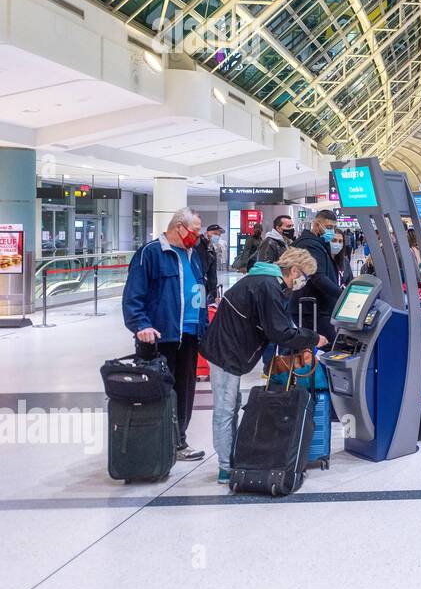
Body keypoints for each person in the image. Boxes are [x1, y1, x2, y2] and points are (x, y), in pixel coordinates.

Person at [200, 248, 327, 483]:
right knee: (225, 409)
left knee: (231, 405)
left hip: (229, 348)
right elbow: (279, 330)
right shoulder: (268, 285)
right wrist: (312, 338)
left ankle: (231, 458)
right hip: (226, 351)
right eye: (305, 276)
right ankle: (226, 468)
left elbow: (276, 323)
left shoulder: (266, 281)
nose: (304, 282)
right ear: (295, 270)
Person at [121, 207, 209, 461]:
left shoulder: (193, 256)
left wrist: (204, 323)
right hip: (161, 337)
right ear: (179, 227)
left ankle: (178, 441)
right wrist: (141, 325)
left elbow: (200, 292)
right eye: (194, 230)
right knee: (158, 392)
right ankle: (155, 443)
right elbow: (133, 296)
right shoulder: (150, 254)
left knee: (185, 391)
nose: (198, 236)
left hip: (190, 335)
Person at [290, 209, 342, 339]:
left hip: (315, 308)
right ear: (317, 225)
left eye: (334, 227)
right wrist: (342, 295)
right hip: (311, 309)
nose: (332, 231)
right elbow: (318, 277)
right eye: (329, 227)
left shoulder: (317, 244)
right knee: (331, 345)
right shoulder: (309, 245)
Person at [194, 223, 225, 304]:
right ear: (207, 232)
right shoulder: (197, 244)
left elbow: (212, 274)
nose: (217, 236)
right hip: (194, 283)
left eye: (219, 235)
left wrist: (215, 295)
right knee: (195, 307)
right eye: (215, 233)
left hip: (203, 285)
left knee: (202, 307)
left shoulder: (211, 250)